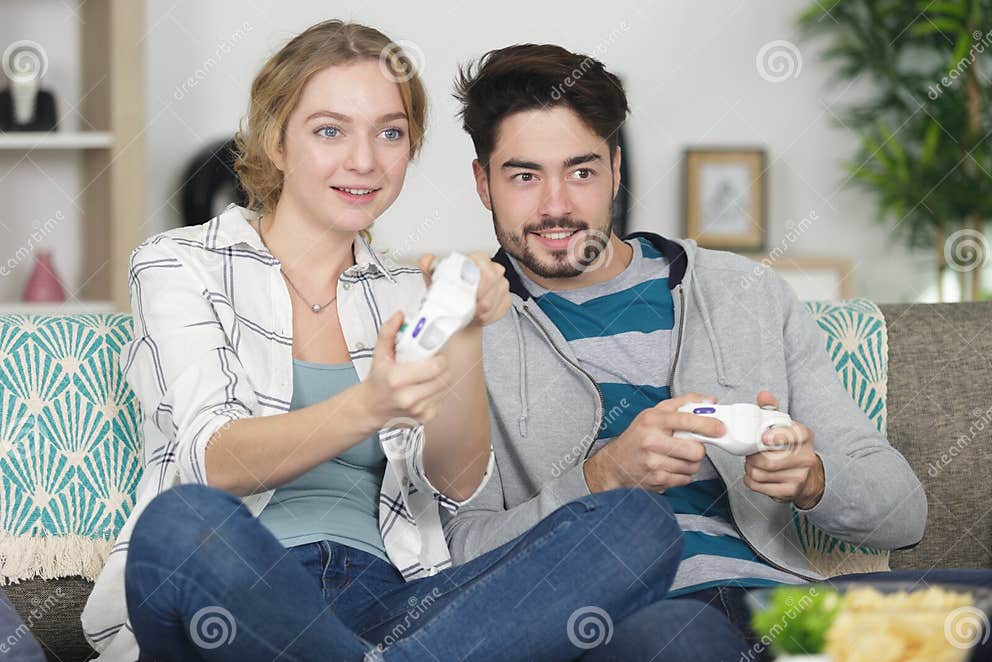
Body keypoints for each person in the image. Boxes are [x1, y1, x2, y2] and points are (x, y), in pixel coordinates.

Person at [80, 21, 744, 662]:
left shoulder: (410, 292)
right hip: (236, 592)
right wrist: (368, 406)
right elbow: (212, 460)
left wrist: (465, 333)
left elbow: (453, 486)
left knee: (636, 526)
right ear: (277, 143)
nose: (364, 161)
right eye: (330, 130)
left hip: (392, 605)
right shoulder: (180, 264)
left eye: (389, 133)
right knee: (181, 524)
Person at [442, 42, 992, 660]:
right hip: (630, 622)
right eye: (524, 175)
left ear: (616, 171)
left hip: (787, 614)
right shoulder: (460, 331)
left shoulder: (744, 292)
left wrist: (814, 480)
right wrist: (597, 481)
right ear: (482, 183)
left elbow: (904, 513)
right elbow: (457, 553)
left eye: (582, 170)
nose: (556, 205)